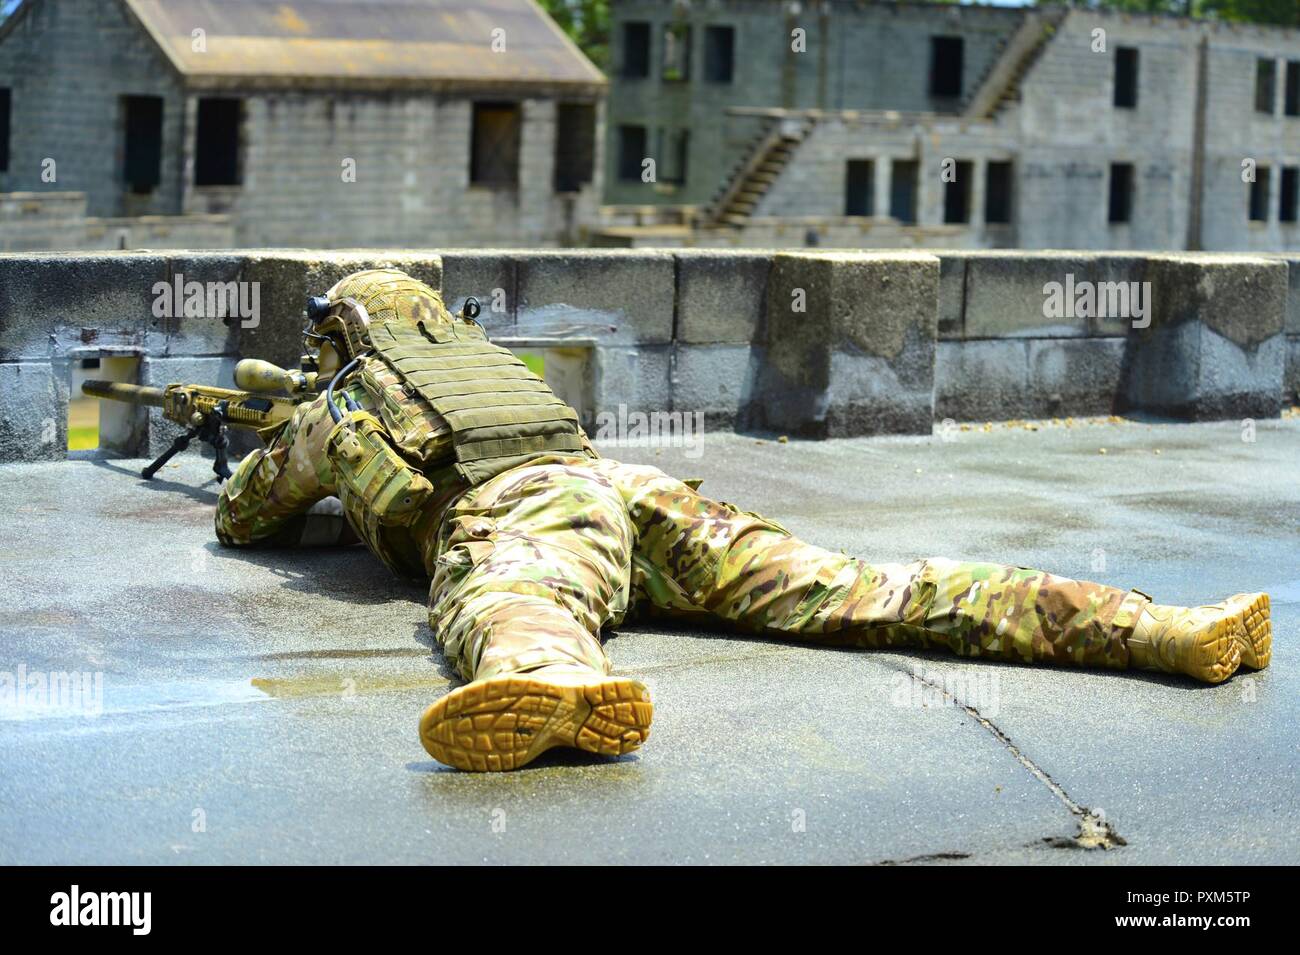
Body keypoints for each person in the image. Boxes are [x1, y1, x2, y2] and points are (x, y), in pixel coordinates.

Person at [216, 270, 1273, 772]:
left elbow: (246, 517)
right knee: (873, 588)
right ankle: (1160, 627)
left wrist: (292, 436)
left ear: (339, 338)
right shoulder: (483, 364)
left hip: (522, 509)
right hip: (628, 489)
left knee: (515, 592)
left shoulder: (343, 404)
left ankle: (549, 685)